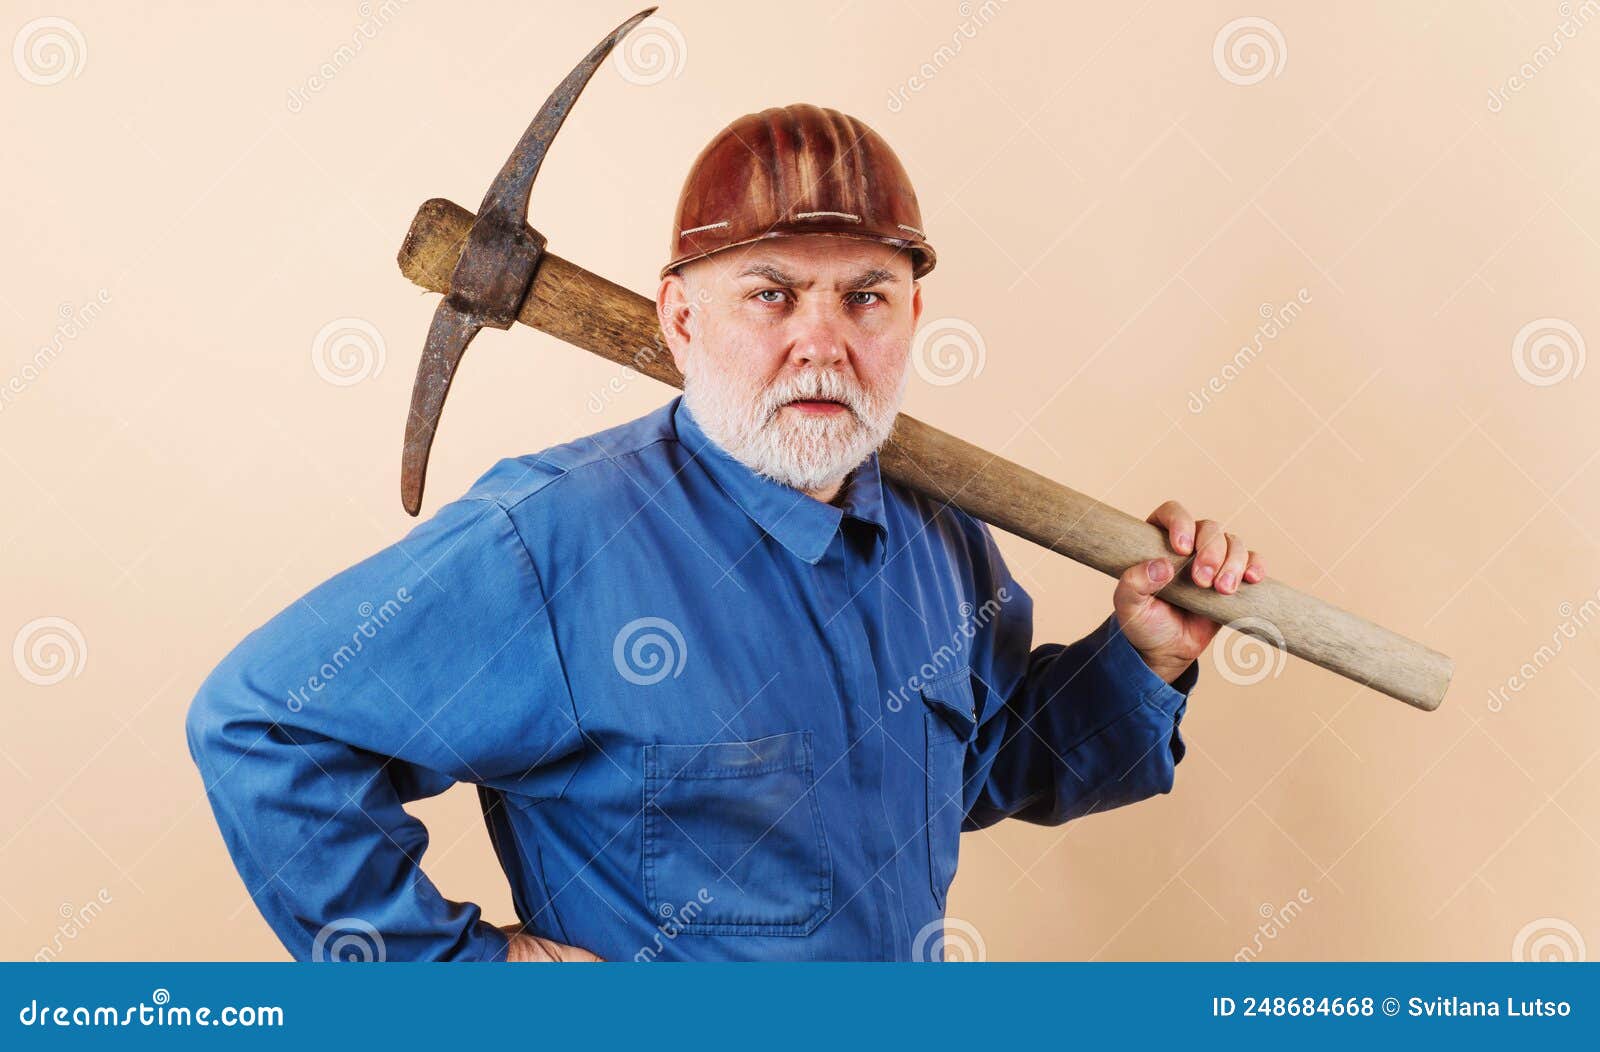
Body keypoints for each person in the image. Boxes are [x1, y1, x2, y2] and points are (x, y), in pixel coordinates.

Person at [186, 104, 1265, 962]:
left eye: (866, 297)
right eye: (771, 292)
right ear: (678, 317)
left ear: (913, 319)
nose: (824, 342)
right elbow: (259, 723)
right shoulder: (557, 540)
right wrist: (457, 988)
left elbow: (972, 769)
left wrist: (1143, 655)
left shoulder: (941, 538)